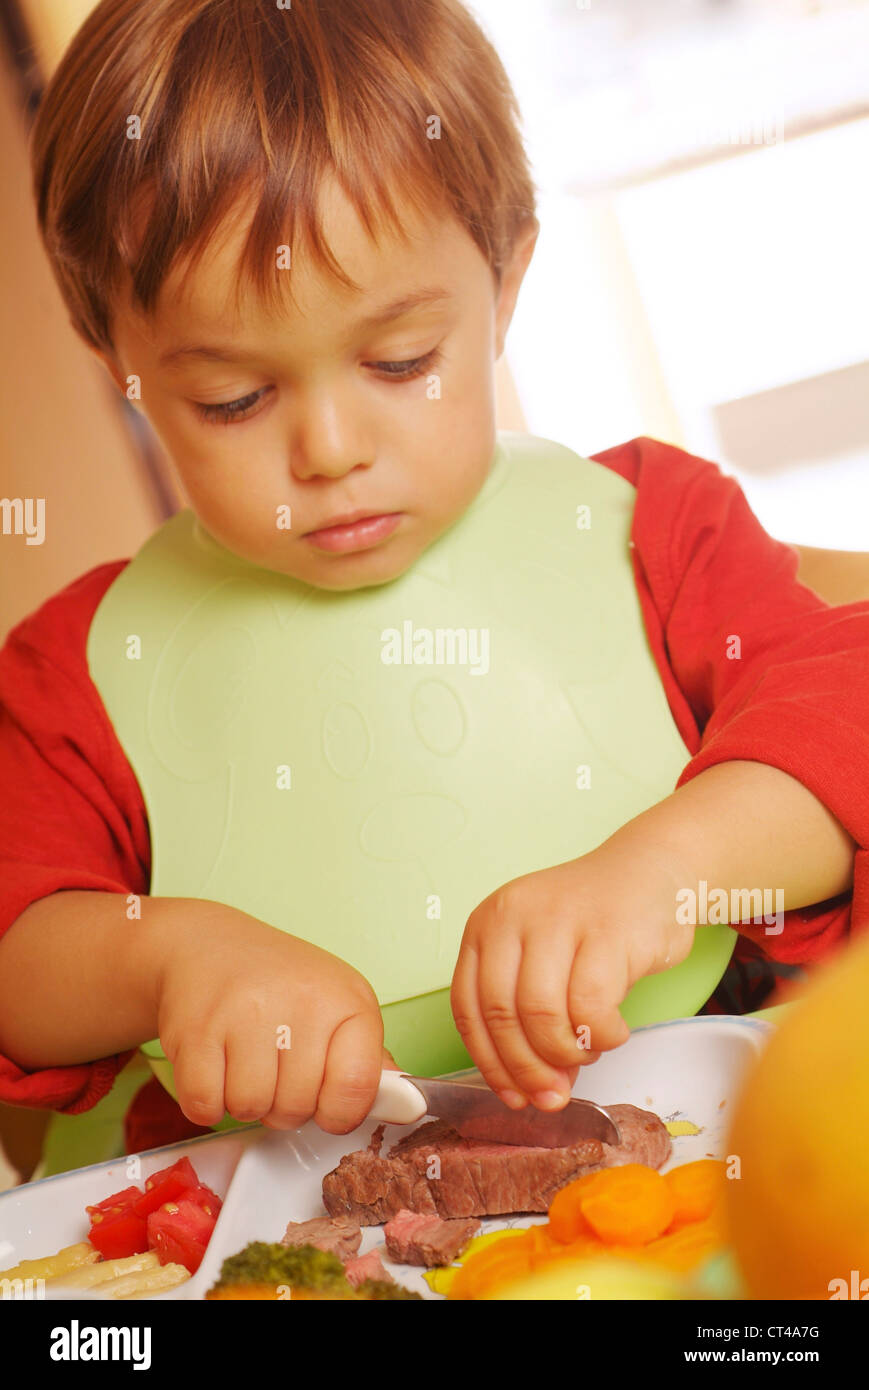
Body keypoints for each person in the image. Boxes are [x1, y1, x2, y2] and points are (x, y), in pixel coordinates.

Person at [1, 0, 867, 1171]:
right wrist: (171, 956)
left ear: (505, 280)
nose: (329, 449)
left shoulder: (649, 528)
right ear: (120, 362)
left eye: (400, 362)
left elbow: (839, 725)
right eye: (233, 400)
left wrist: (661, 871)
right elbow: (16, 940)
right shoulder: (77, 671)